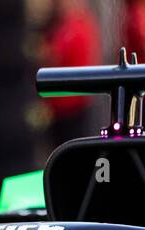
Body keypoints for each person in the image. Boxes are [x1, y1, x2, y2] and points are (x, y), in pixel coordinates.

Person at [43, 0, 102, 143]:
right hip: (62, 104)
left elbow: (53, 57)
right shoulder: (65, 26)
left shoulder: (76, 26)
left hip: (71, 104)